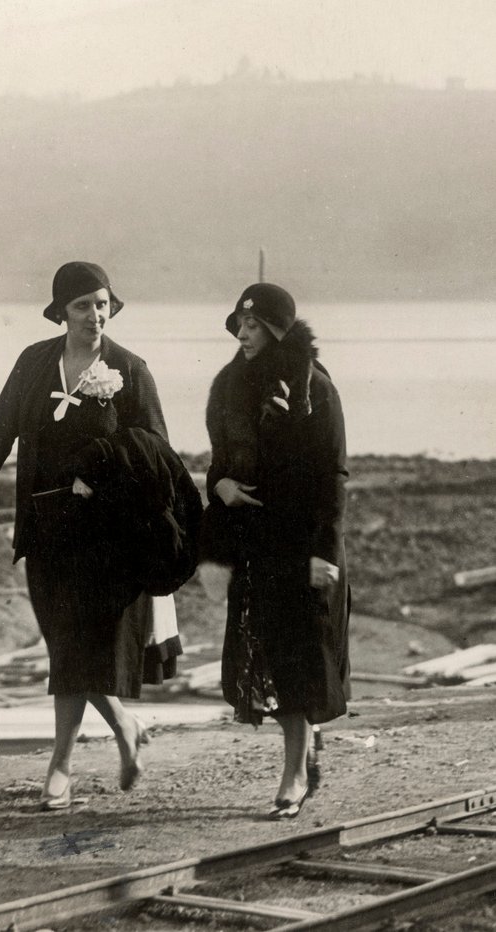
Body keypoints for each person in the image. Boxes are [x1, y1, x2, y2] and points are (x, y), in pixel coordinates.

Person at [0, 261, 198, 811]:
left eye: (102, 303)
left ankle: (59, 768)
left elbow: (156, 453)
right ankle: (124, 725)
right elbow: (1, 429)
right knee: (66, 648)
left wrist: (102, 468)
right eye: (83, 305)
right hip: (46, 531)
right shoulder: (34, 362)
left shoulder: (130, 370)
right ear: (61, 312)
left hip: (109, 539)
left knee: (74, 652)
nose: (95, 315)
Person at [198, 282, 350, 820]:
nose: (242, 334)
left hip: (301, 545)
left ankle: (294, 777)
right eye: (239, 324)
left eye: (254, 325)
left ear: (277, 330)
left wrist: (323, 552)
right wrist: (220, 486)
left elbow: (332, 477)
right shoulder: (229, 385)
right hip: (252, 545)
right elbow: (219, 461)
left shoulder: (315, 388)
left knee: (295, 657)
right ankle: (302, 755)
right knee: (268, 654)